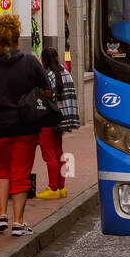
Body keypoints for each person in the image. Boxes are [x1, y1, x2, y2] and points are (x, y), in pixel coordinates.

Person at [0, 14, 51, 236]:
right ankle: (18, 222)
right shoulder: (30, 62)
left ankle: (1, 215)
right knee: (21, 171)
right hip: (25, 125)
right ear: (18, 35)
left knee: (1, 169)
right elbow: (47, 91)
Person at [36, 47, 80, 200]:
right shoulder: (65, 73)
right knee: (58, 152)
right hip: (61, 117)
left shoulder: (47, 75)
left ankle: (53, 188)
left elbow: (44, 96)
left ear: (43, 59)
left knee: (49, 154)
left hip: (48, 117)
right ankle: (61, 187)